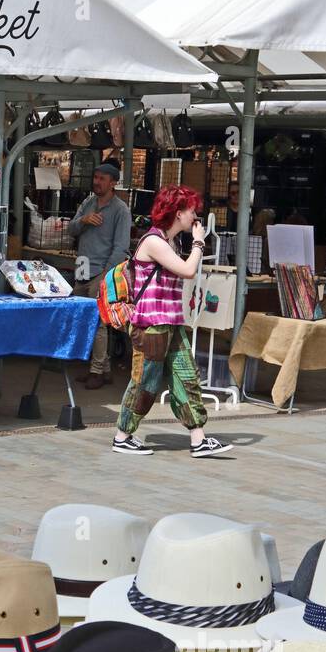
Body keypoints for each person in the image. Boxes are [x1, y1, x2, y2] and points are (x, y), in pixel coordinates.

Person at [113, 185, 231, 459]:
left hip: (171, 323)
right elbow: (188, 270)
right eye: (192, 211)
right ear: (178, 213)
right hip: (150, 325)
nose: (196, 216)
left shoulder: (171, 242)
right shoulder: (154, 242)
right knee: (145, 383)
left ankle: (198, 438)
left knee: (186, 377)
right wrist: (199, 242)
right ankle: (122, 435)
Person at [69, 161, 131, 388]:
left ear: (113, 183)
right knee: (85, 318)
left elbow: (121, 246)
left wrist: (107, 274)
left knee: (97, 322)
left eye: (102, 178)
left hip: (101, 272)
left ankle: (96, 369)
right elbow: (71, 229)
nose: (96, 182)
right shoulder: (88, 202)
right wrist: (83, 220)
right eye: (95, 177)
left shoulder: (120, 210)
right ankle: (103, 368)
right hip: (82, 267)